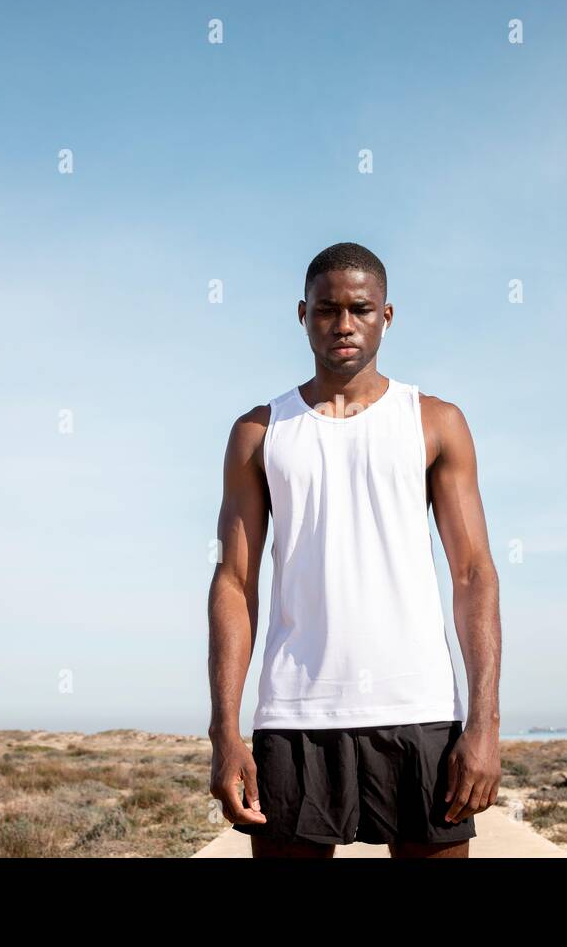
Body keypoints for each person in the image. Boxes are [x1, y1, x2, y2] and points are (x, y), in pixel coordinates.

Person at [207, 242, 502, 858]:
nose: (343, 324)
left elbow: (473, 574)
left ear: (386, 316)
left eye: (361, 309)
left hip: (419, 709)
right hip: (295, 716)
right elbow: (234, 582)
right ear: (303, 314)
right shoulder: (259, 432)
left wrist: (484, 723)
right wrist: (224, 732)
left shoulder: (435, 421)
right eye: (326, 309)